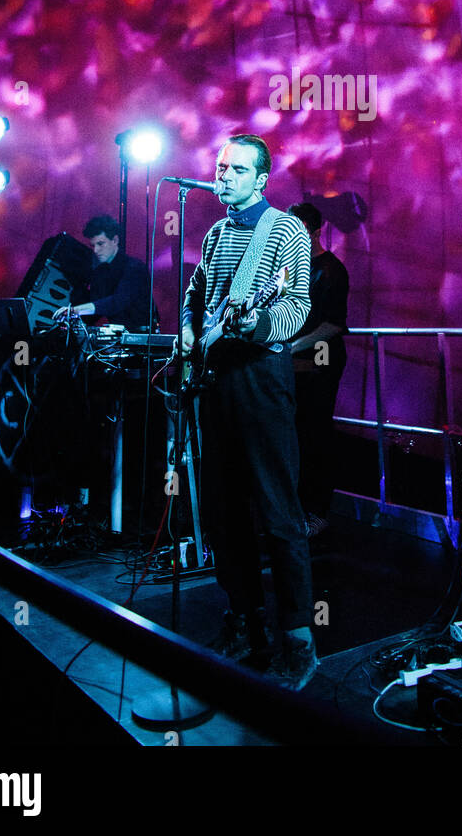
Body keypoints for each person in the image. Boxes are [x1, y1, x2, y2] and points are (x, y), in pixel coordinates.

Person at [180, 135, 317, 689]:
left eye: (238, 169)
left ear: (261, 179)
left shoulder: (285, 230)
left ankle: (299, 639)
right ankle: (245, 620)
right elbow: (195, 297)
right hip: (216, 382)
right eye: (221, 167)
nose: (225, 176)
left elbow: (298, 304)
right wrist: (190, 333)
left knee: (278, 509)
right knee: (223, 509)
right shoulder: (214, 234)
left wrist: (254, 323)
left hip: (260, 378)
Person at [287, 203, 349, 537]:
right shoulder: (293, 269)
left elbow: (333, 325)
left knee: (315, 434)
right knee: (296, 436)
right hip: (296, 364)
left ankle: (317, 511)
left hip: (319, 363)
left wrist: (294, 347)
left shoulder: (331, 270)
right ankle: (297, 508)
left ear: (314, 232)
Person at [53, 215, 151, 331]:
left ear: (115, 240)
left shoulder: (134, 267)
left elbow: (116, 302)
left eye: (100, 244)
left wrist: (75, 311)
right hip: (118, 339)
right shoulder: (100, 273)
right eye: (93, 245)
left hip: (144, 338)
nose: (96, 250)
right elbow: (93, 315)